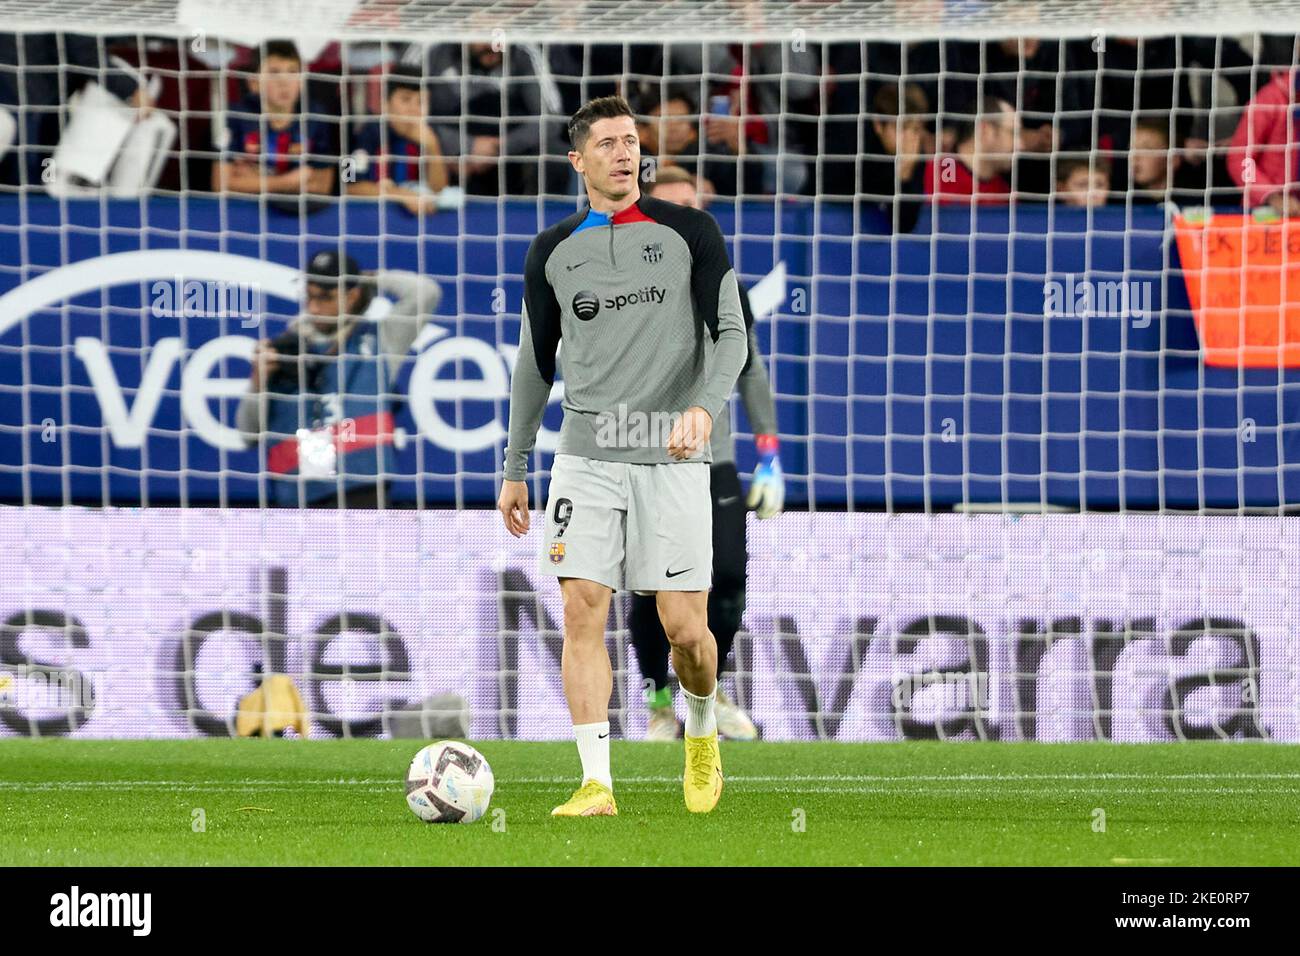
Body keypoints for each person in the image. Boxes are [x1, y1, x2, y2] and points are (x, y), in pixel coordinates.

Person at [498, 95, 747, 816]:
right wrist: (516, 467)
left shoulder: (691, 231)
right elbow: (533, 364)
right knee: (582, 608)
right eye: (606, 143)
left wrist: (704, 407)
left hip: (670, 458)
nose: (623, 152)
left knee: (686, 632)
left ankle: (700, 730)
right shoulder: (552, 251)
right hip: (585, 457)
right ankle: (595, 783)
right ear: (578, 161)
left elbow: (730, 334)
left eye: (631, 141)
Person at [629, 165, 783, 742]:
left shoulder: (725, 285)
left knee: (727, 575)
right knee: (650, 585)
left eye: (695, 206)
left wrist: (768, 454)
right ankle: (659, 702)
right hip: (643, 459)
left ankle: (710, 694)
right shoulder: (625, 287)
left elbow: (751, 371)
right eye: (673, 207)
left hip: (711, 460)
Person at [237, 249, 441, 508]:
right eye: (309, 297)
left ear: (352, 295)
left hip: (362, 490)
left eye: (325, 297)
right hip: (298, 497)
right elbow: (247, 434)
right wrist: (258, 380)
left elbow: (426, 292)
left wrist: (368, 279)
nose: (314, 307)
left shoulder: (381, 339)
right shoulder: (285, 350)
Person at [212, 39, 336, 197]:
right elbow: (220, 184)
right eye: (274, 72)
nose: (284, 82)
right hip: (246, 210)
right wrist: (290, 181)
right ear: (253, 83)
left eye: (292, 71)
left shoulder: (316, 116)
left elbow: (322, 187)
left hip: (296, 213)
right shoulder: (236, 116)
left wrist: (255, 181)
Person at [346, 67, 448, 214]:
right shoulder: (367, 133)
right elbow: (350, 185)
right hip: (371, 218)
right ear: (385, 104)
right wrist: (401, 195)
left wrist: (433, 147)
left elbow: (438, 189)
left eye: (421, 102)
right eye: (405, 99)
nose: (414, 109)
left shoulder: (430, 134)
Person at [923, 95, 1017, 205]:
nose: (1020, 145)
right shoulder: (933, 174)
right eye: (1012, 133)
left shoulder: (1005, 195)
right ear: (984, 130)